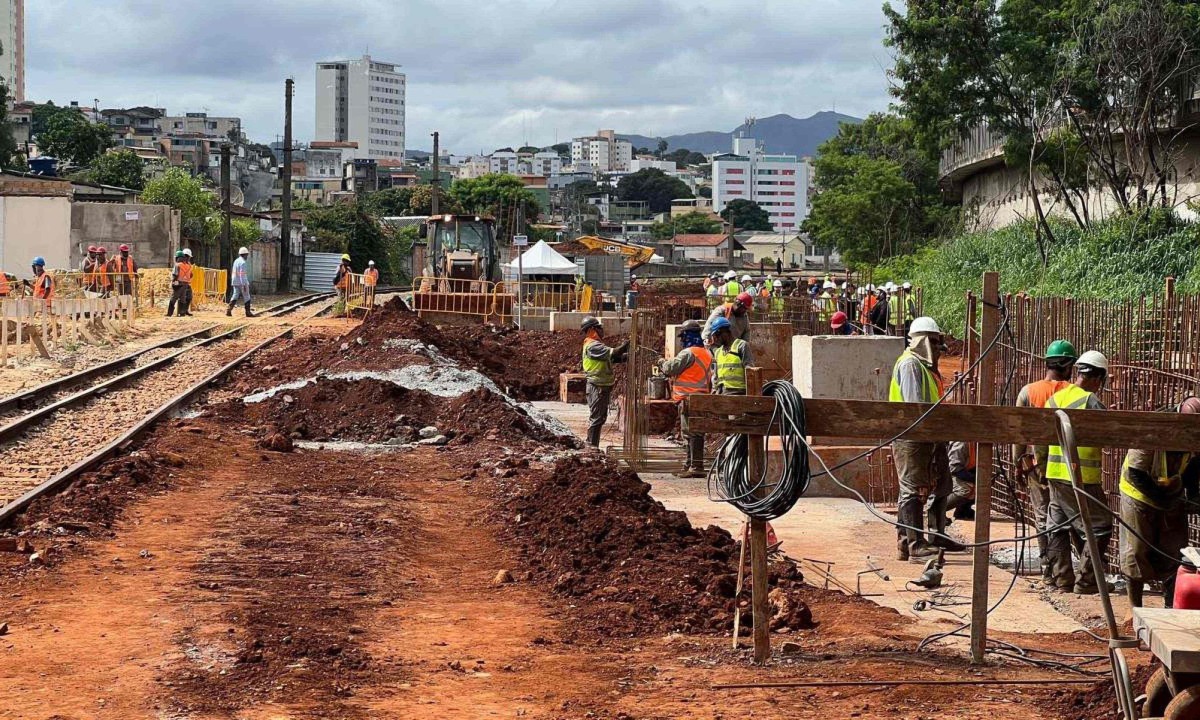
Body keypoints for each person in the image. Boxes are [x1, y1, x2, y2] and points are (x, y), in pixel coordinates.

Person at [889, 316, 963, 562]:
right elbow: (916, 407)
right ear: (923, 341)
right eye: (934, 342)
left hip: (930, 435)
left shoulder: (927, 367)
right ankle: (914, 543)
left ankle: (935, 535)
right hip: (912, 437)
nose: (939, 349)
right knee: (912, 489)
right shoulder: (910, 364)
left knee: (942, 485)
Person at [1119, 397, 1200, 608]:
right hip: (1139, 494)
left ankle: (1170, 605)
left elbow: (1194, 468)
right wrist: (1159, 498)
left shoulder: (1195, 434)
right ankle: (1135, 607)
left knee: (1176, 550)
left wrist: (1192, 496)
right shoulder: (1152, 429)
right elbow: (1136, 473)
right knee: (1136, 551)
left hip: (1171, 493)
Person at [1044, 350, 1113, 595]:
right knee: (1101, 526)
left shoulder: (1055, 399)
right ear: (1098, 377)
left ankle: (1062, 579)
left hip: (1054, 474)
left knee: (1057, 527)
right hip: (1080, 477)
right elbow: (1110, 434)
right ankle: (1086, 582)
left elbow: (1040, 440)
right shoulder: (1090, 401)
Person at [1012, 340, 1078, 582]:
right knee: (1066, 517)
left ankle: (1047, 569)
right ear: (1068, 364)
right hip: (1065, 466)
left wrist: (1016, 464)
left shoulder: (1028, 391)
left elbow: (1019, 434)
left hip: (1036, 465)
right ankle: (1068, 568)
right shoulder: (1074, 393)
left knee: (1042, 516)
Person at [658, 320, 713, 478]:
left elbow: (670, 368)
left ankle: (695, 466)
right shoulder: (706, 353)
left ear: (689, 336)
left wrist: (662, 362)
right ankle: (691, 464)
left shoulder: (689, 353)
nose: (682, 340)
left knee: (692, 432)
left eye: (683, 337)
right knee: (694, 432)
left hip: (689, 398)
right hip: (701, 397)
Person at [581, 316, 629, 447]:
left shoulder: (596, 345)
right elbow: (615, 353)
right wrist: (627, 344)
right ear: (592, 329)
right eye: (599, 328)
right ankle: (591, 446)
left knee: (599, 418)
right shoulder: (593, 346)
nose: (602, 330)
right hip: (597, 387)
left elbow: (611, 359)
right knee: (597, 418)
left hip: (601, 386)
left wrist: (626, 357)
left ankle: (591, 445)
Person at [711, 317, 752, 395]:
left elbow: (750, 371)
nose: (715, 339)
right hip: (722, 394)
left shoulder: (741, 346)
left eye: (716, 335)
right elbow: (715, 377)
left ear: (723, 332)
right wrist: (714, 391)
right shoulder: (718, 352)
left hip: (739, 394)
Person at [946, 441, 977, 521]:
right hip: (951, 473)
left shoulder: (974, 442)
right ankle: (937, 511)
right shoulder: (962, 443)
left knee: (979, 487)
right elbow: (954, 468)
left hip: (962, 472)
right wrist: (973, 479)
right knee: (965, 490)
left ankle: (963, 510)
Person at [227, 246, 254, 317]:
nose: (247, 256)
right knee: (247, 296)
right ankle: (248, 312)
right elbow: (242, 274)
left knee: (235, 295)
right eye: (247, 254)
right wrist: (244, 284)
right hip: (242, 282)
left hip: (235, 281)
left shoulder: (236, 261)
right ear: (245, 254)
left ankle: (229, 310)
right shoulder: (243, 263)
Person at [167, 250, 195, 317]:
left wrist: (173, 282)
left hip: (179, 283)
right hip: (185, 284)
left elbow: (175, 275)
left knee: (173, 298)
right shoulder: (188, 266)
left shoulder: (178, 265)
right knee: (183, 298)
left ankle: (169, 313)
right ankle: (182, 313)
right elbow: (191, 275)